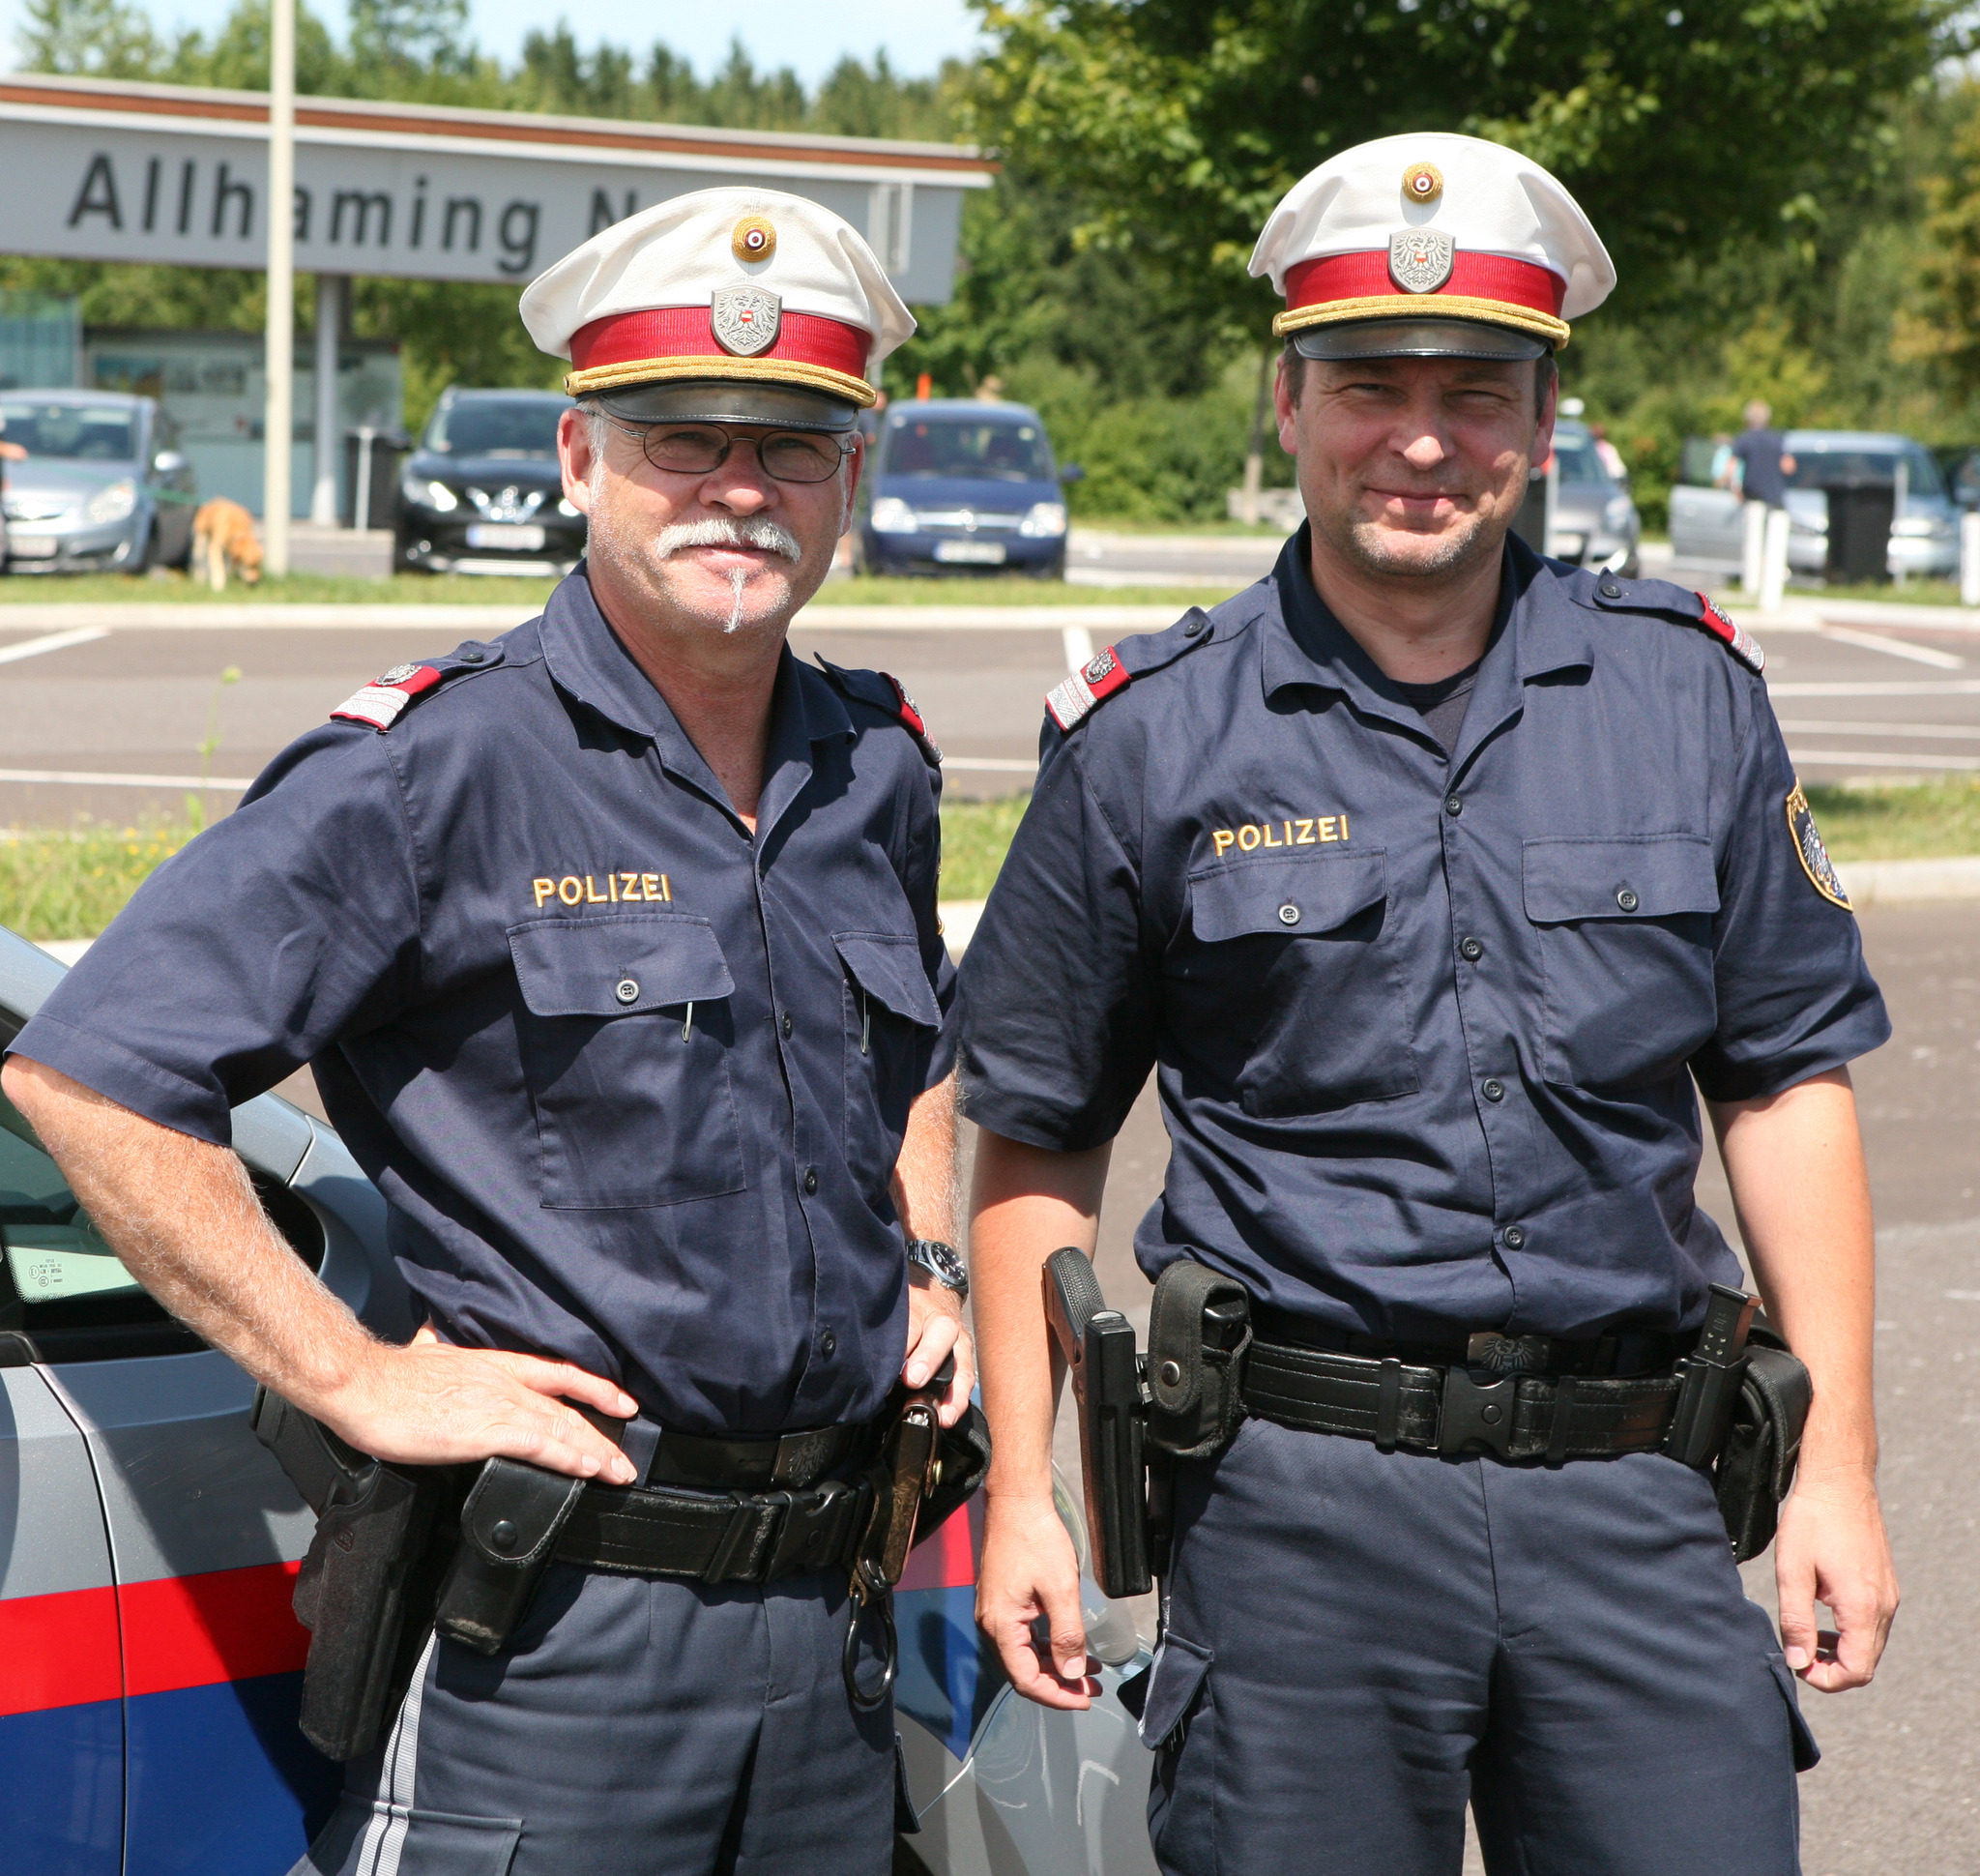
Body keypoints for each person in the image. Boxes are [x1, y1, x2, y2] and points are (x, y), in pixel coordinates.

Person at [2, 186, 974, 1876]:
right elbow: (90, 1073)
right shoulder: (431, 769)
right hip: (564, 1629)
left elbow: (919, 1058)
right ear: (581, 463)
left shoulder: (871, 765)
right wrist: (351, 1373)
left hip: (832, 1621)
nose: (738, 486)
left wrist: (931, 1263)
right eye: (682, 440)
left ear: (852, 480)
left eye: (792, 446)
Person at [960, 132, 1896, 1876]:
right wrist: (1025, 1489)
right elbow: (1036, 1133)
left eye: (1473, 392)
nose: (1417, 438)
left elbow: (1781, 1084)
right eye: (1366, 385)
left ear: (1543, 423)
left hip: (1634, 1491)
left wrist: (1834, 1460)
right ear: (1286, 404)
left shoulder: (1684, 698)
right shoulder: (1148, 733)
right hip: (1296, 1511)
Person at [1724, 397, 1797, 505]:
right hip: (1776, 498)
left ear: (1747, 418)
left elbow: (1730, 469)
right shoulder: (1777, 439)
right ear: (1767, 418)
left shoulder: (1744, 439)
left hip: (1753, 497)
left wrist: (1735, 490)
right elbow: (1789, 468)